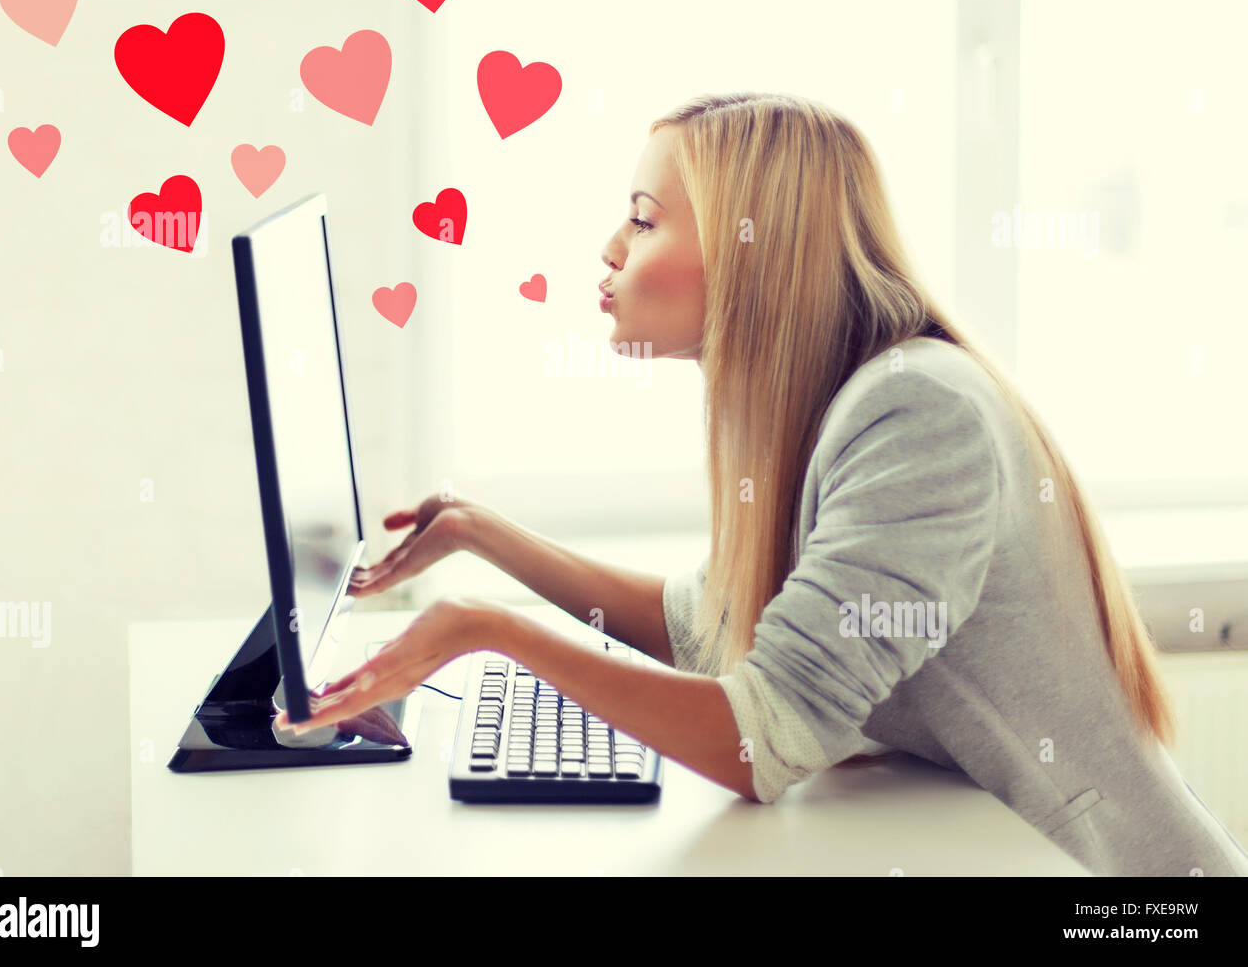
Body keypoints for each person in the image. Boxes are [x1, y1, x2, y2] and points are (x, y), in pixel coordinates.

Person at [280, 92, 1248, 877]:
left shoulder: (918, 416)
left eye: (642, 219)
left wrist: (486, 631)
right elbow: (705, 623)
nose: (609, 249)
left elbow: (759, 742)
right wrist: (485, 538)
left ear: (753, 250)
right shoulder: (833, 407)